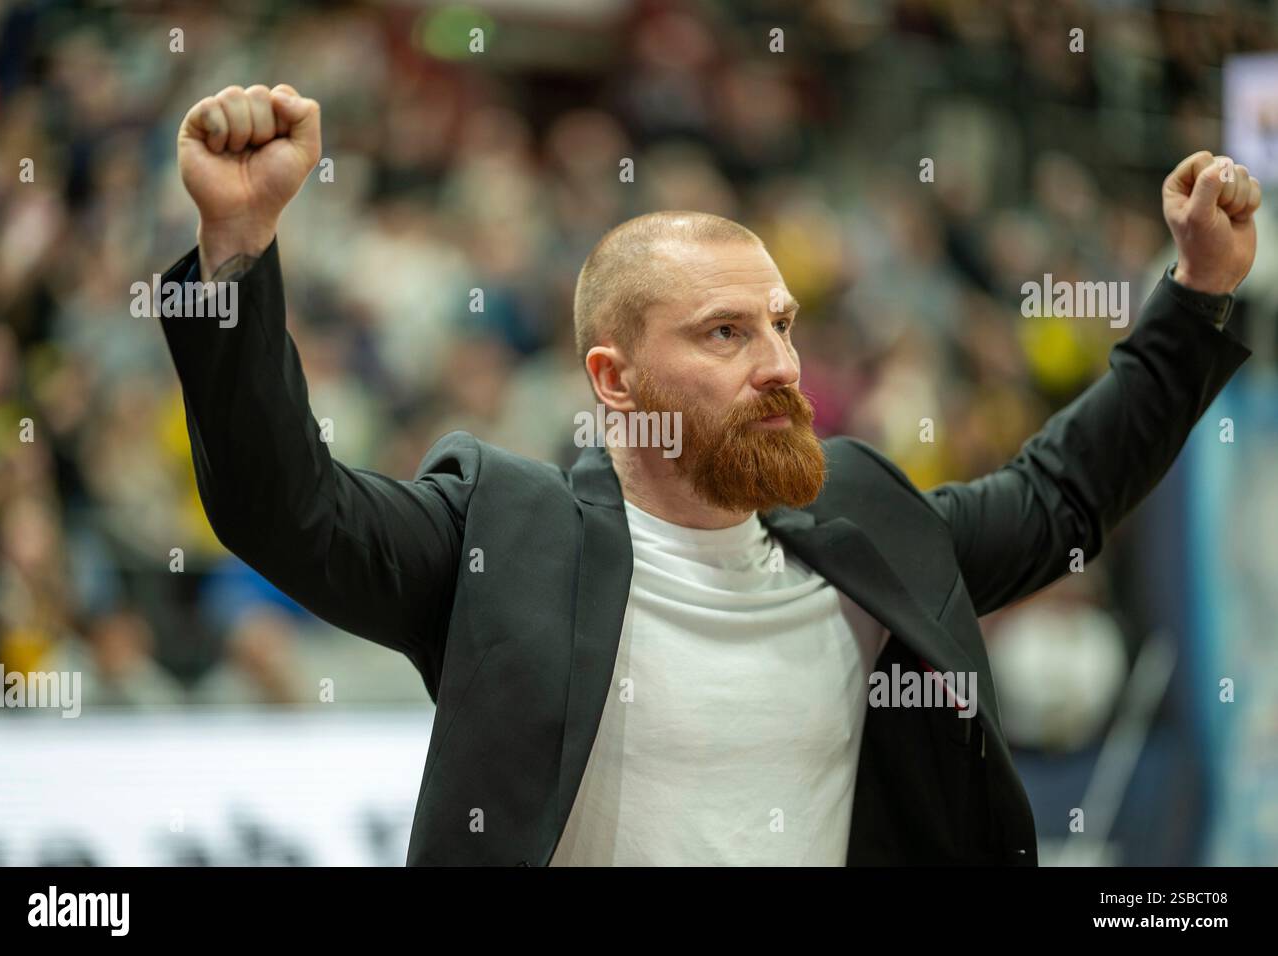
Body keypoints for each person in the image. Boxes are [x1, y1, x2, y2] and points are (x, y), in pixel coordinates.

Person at [156, 83, 1259, 865]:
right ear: (614, 378)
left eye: (780, 324)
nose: (781, 364)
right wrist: (236, 253)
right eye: (725, 333)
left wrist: (1197, 294)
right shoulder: (507, 536)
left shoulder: (867, 522)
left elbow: (1061, 496)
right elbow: (281, 508)